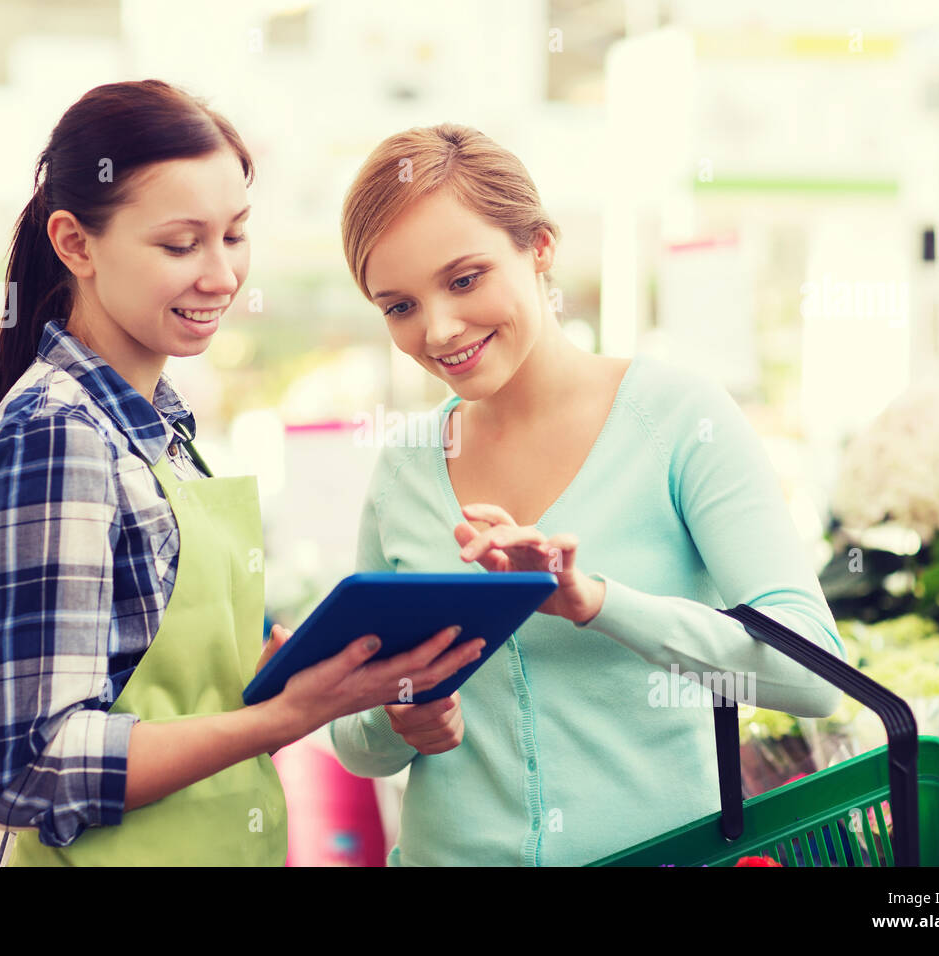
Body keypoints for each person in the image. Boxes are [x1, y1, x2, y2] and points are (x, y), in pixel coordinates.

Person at [0, 81, 484, 866]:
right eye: (180, 244)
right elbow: (35, 771)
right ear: (75, 243)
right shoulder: (58, 439)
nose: (222, 276)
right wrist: (281, 717)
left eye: (235, 235)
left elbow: (161, 690)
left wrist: (301, 677)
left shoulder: (159, 429)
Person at [330, 123, 847, 866]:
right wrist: (398, 718)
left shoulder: (679, 420)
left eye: (465, 279)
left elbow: (811, 675)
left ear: (539, 247)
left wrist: (597, 602)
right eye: (399, 306)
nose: (438, 330)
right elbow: (357, 743)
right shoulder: (406, 469)